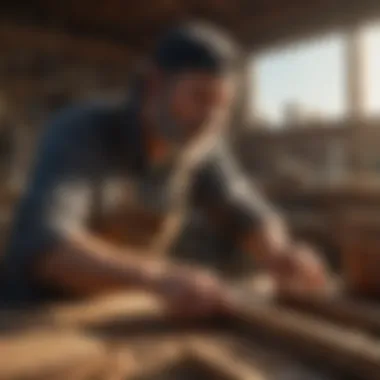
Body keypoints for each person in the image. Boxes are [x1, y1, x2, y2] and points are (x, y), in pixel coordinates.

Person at [1, 23, 328, 313]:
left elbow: (244, 210)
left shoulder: (200, 146)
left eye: (222, 105)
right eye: (200, 96)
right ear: (155, 85)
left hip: (115, 313)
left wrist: (280, 254)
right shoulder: (83, 131)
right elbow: (43, 245)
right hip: (36, 316)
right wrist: (157, 277)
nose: (211, 119)